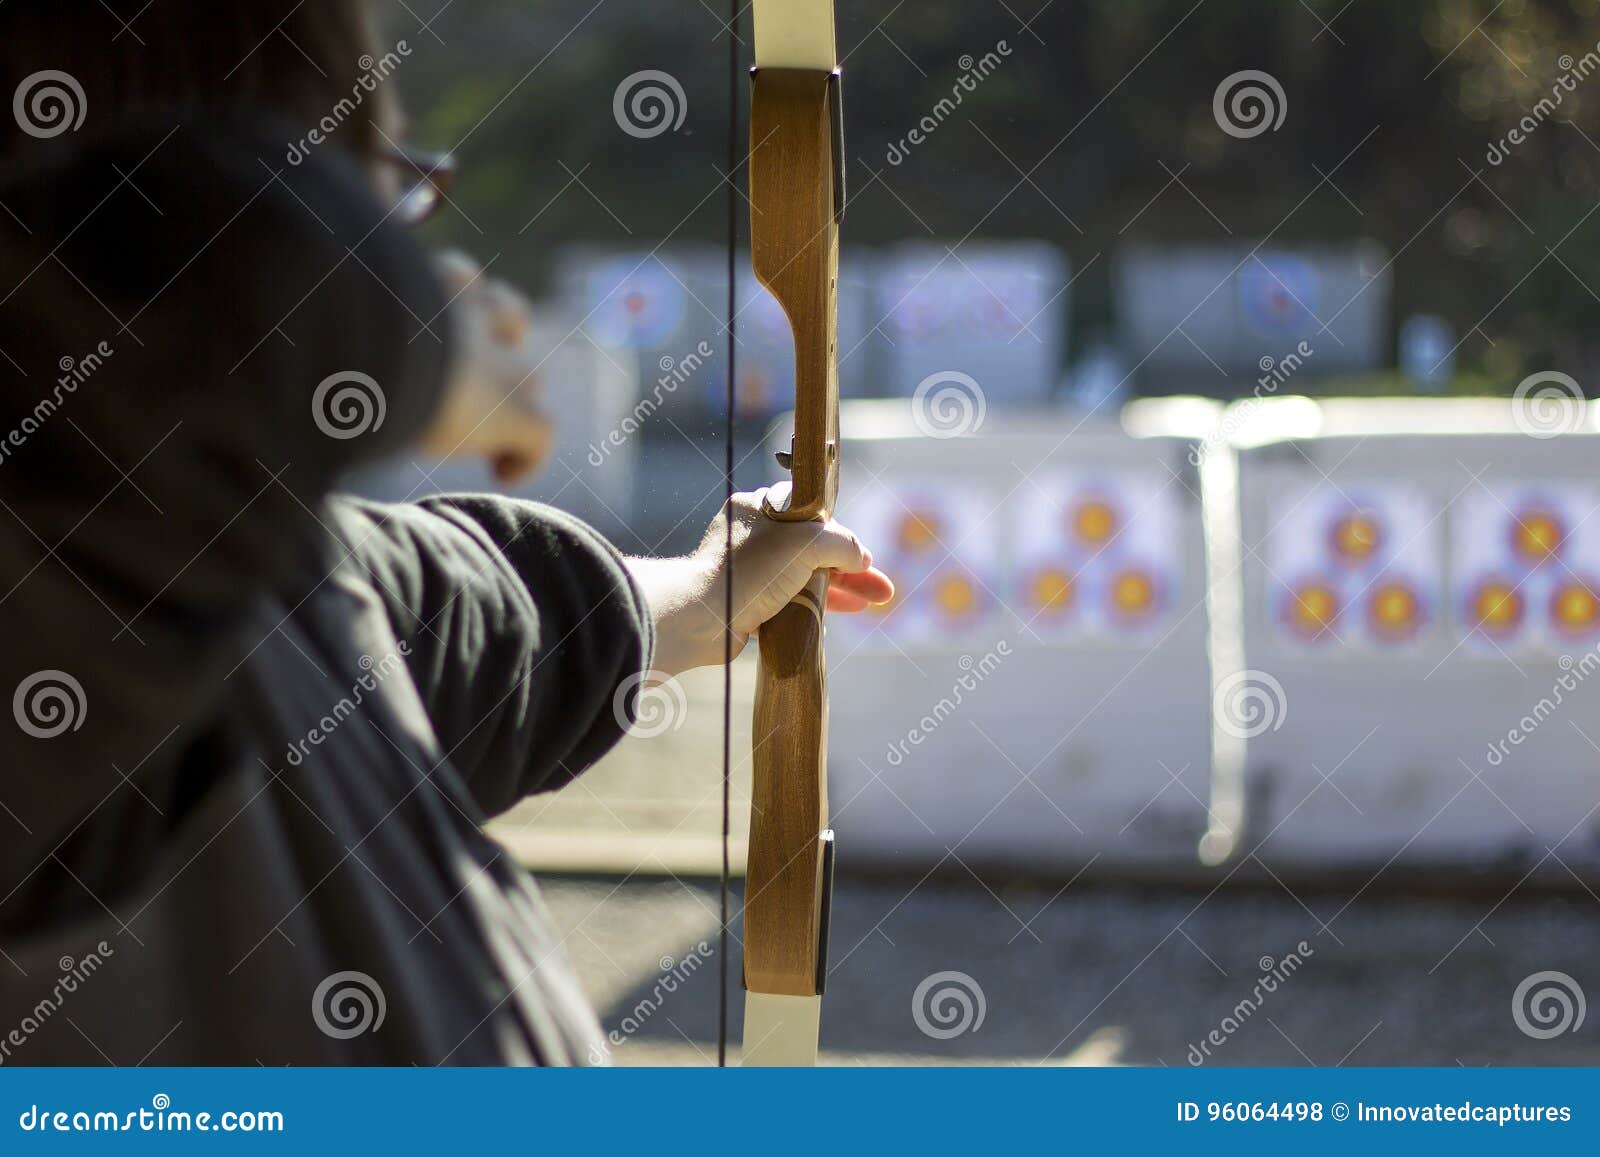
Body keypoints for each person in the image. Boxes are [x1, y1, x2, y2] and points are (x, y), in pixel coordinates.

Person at [0, 1, 891, 1064]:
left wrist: (714, 587)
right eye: (386, 188)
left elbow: (515, 613)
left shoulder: (299, 584)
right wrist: (399, 327)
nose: (406, 233)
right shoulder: (52, 605)